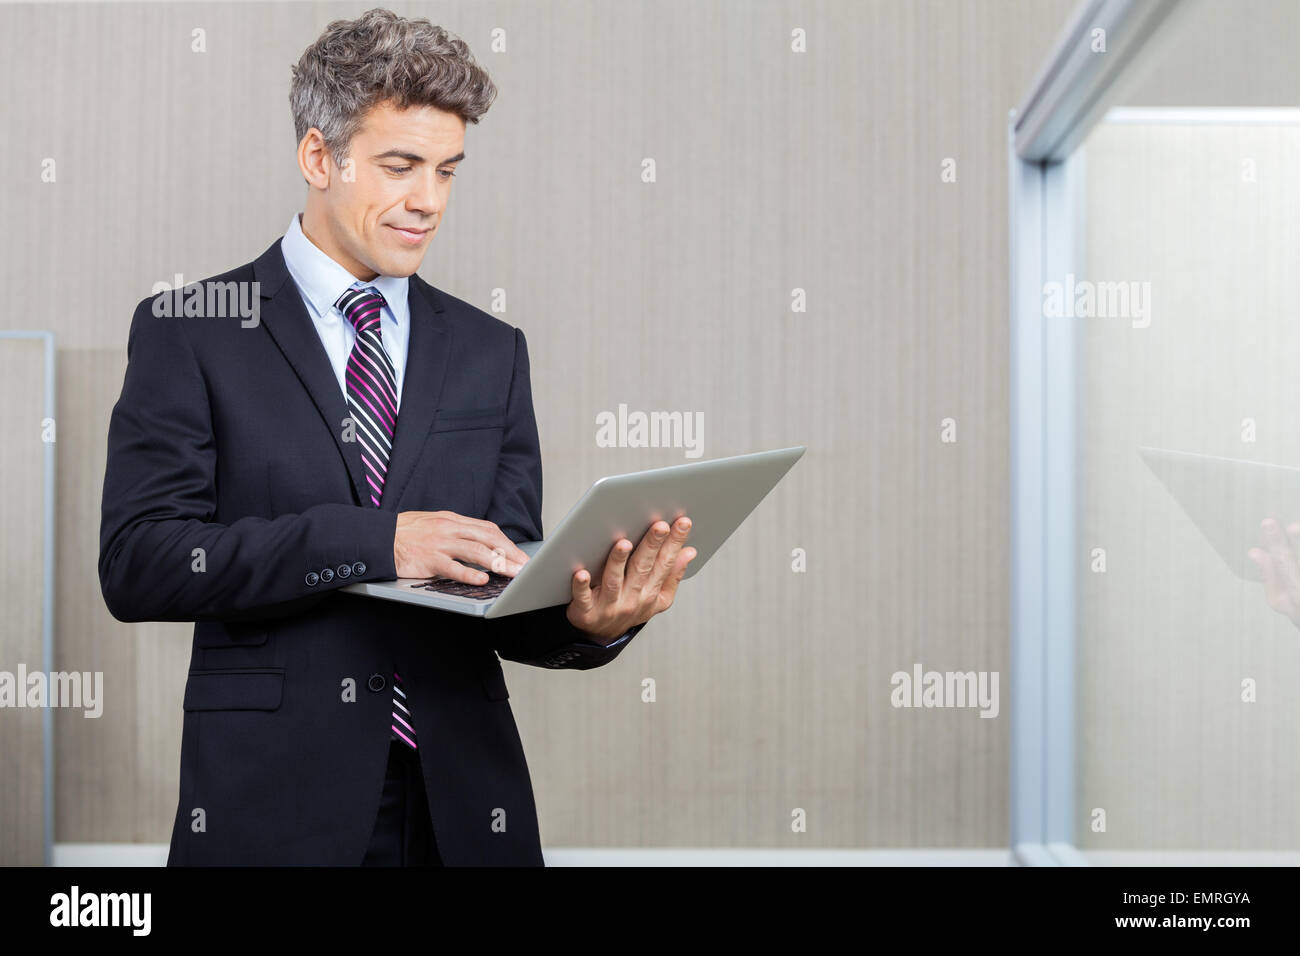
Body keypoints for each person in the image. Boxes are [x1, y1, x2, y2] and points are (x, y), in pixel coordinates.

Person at [97, 7, 695, 866]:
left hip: (463, 807)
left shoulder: (492, 350)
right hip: (273, 805)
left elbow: (492, 584)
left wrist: (591, 621)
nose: (429, 201)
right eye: (400, 166)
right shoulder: (189, 328)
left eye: (448, 170)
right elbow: (140, 561)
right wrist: (382, 542)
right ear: (318, 157)